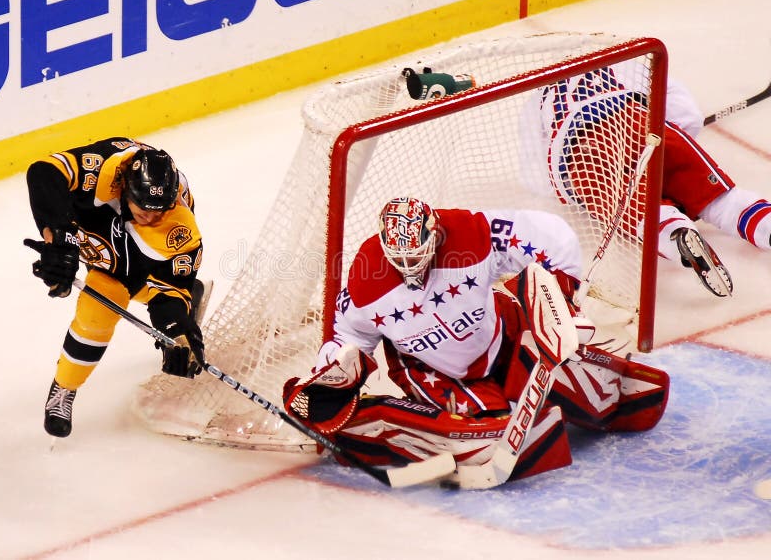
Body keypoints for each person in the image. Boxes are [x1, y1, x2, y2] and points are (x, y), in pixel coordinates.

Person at [283, 197, 669, 488]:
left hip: (501, 331)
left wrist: (562, 298)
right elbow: (346, 337)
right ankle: (378, 427)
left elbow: (554, 237)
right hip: (432, 370)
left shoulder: (474, 234)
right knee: (489, 429)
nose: (410, 268)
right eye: (399, 259)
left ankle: (554, 390)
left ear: (434, 233)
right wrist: (330, 374)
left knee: (608, 390)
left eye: (417, 255)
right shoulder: (365, 282)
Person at [521, 64, 771, 298]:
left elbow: (535, 172)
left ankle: (676, 231)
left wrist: (576, 192)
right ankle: (764, 224)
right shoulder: (621, 61)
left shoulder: (536, 101)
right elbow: (688, 113)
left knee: (647, 215)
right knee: (719, 198)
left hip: (584, 155)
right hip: (642, 124)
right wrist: (675, 137)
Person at [25, 137, 209, 438]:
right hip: (92, 223)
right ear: (125, 188)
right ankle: (65, 387)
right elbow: (44, 172)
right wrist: (58, 238)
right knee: (100, 304)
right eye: (143, 208)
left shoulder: (177, 224)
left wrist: (176, 328)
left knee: (101, 305)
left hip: (139, 251)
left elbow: (172, 283)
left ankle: (185, 299)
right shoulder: (100, 168)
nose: (150, 216)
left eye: (158, 210)